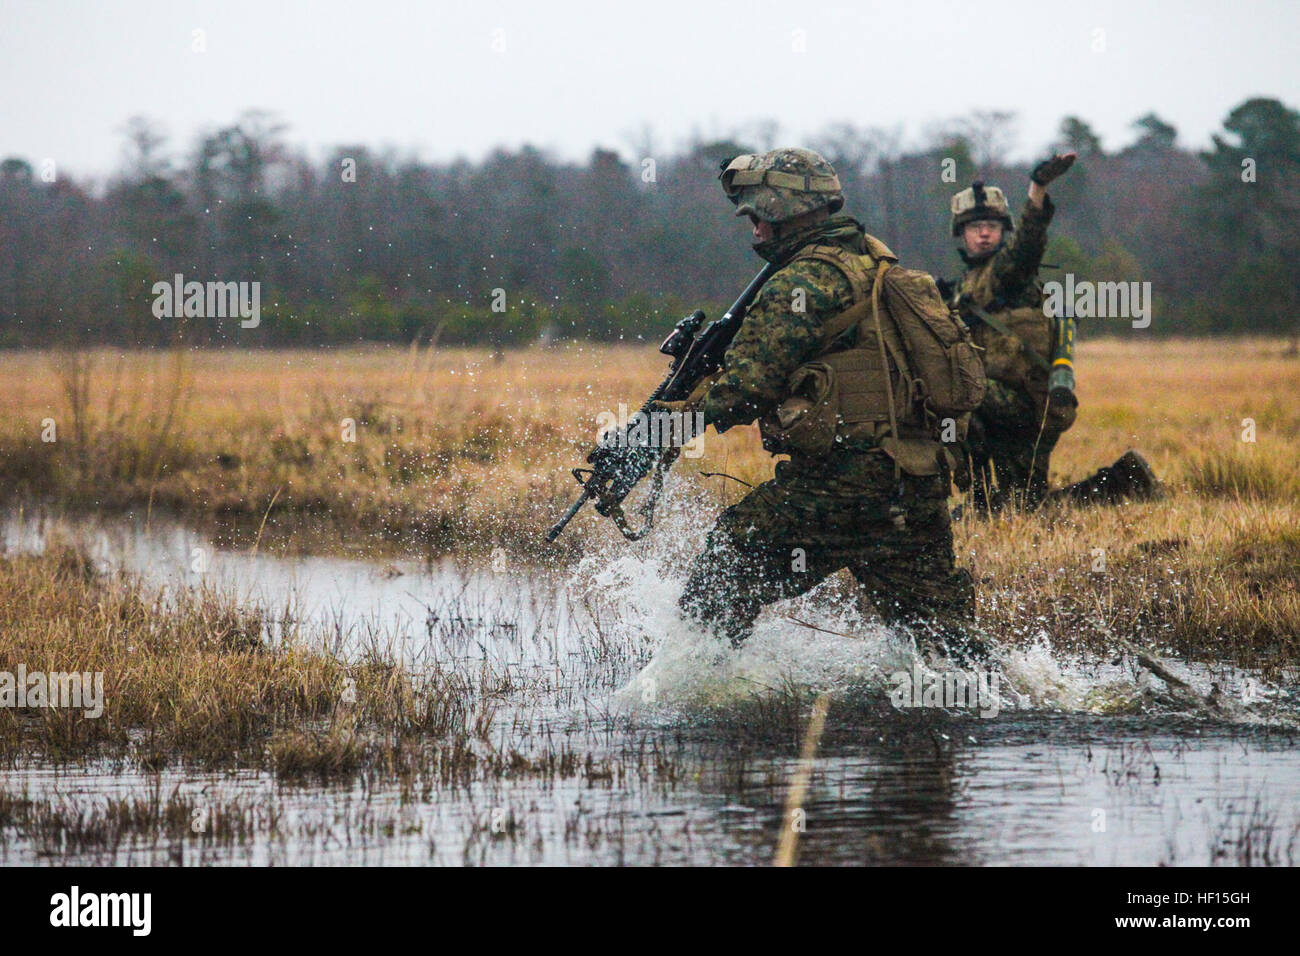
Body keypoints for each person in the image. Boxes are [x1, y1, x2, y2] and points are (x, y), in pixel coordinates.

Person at [655, 148, 984, 662]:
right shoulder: (873, 263)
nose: (755, 229)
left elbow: (746, 387)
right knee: (943, 641)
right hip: (913, 482)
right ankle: (1007, 700)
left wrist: (658, 431)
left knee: (728, 563)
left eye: (759, 214)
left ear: (790, 209)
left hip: (841, 485)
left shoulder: (801, 282)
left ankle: (696, 683)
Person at [944, 156, 1159, 514]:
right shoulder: (965, 284)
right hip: (1005, 406)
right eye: (975, 226)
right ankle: (1125, 480)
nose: (984, 233)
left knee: (956, 395)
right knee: (1027, 508)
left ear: (1003, 230)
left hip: (1025, 404)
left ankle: (980, 499)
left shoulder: (1009, 272)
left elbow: (1027, 244)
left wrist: (1037, 190)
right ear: (961, 233)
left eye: (992, 226)